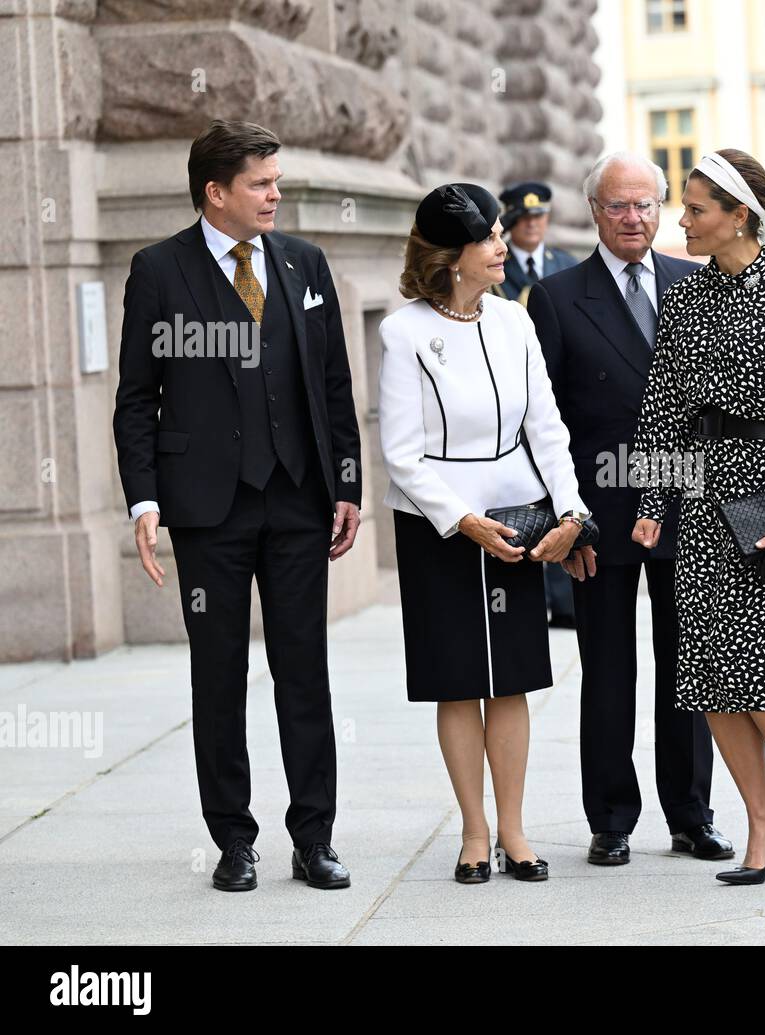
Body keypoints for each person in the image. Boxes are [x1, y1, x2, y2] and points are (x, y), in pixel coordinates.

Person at [112, 119, 362, 892]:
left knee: (304, 671)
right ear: (216, 192)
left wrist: (347, 483)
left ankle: (314, 837)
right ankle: (233, 840)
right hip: (207, 512)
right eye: (261, 183)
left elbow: (332, 386)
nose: (276, 195)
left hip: (296, 503)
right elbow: (136, 398)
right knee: (217, 675)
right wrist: (144, 499)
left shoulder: (304, 263)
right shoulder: (158, 270)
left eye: (276, 181)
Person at [632, 148, 765, 884]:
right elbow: (663, 402)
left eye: (696, 209)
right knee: (706, 676)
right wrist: (651, 503)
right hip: (700, 500)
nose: (682, 221)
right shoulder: (686, 296)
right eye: (685, 208)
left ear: (738, 217)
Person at [377, 183, 589, 884]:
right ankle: (473, 831)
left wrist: (571, 511)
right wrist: (464, 521)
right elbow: (402, 453)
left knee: (515, 680)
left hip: (519, 518)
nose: (505, 245)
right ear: (452, 254)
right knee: (459, 679)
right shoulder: (402, 331)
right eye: (491, 237)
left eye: (503, 233)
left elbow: (547, 429)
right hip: (439, 526)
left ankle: (515, 829)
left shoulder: (514, 322)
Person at [527, 152, 731, 867]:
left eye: (646, 204)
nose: (633, 218)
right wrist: (567, 517)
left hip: (689, 511)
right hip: (601, 518)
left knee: (689, 671)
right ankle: (610, 817)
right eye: (618, 205)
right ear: (594, 210)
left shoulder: (697, 283)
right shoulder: (556, 297)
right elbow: (543, 420)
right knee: (608, 673)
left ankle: (691, 814)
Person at [494, 180, 582, 627]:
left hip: (557, 399)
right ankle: (535, 593)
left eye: (539, 217)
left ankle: (565, 601)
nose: (532, 225)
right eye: (524, 219)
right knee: (524, 499)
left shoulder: (566, 266)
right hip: (508, 403)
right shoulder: (494, 269)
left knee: (563, 495)